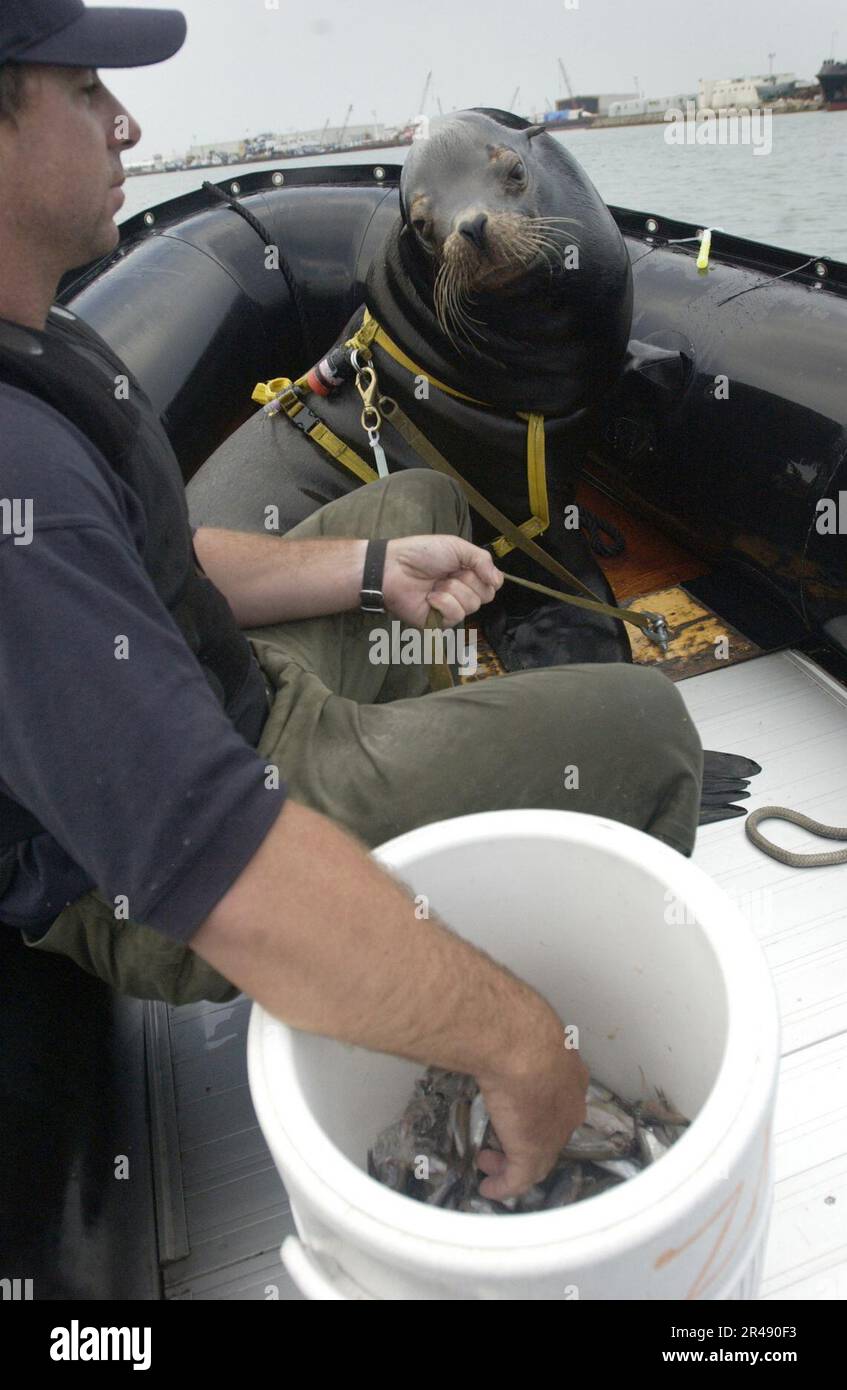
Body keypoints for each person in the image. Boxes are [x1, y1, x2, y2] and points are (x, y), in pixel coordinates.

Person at [0, 1, 702, 1201]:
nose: (128, 124)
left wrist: (372, 572)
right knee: (645, 735)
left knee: (416, 503)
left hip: (225, 696)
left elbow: (162, 567)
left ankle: (424, 841)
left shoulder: (39, 339)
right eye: (83, 94)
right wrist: (524, 1048)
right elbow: (206, 858)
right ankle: (490, 1059)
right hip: (172, 852)